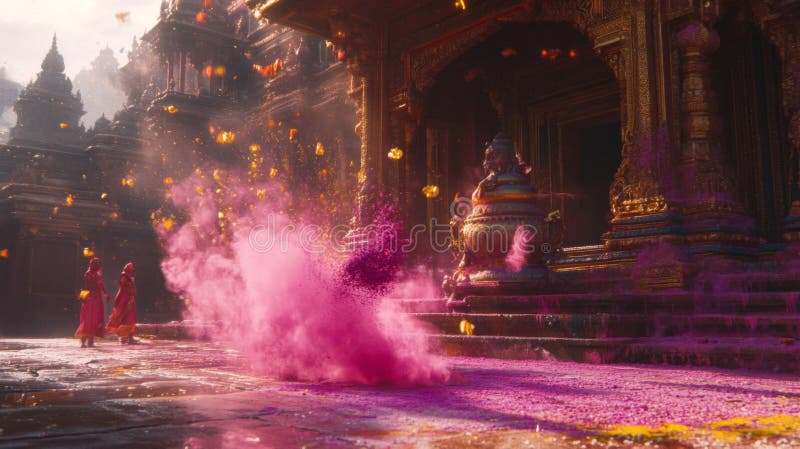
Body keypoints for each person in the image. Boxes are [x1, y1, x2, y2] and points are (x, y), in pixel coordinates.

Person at [75, 257, 110, 347]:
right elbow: (89, 286)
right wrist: (98, 284)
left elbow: (101, 286)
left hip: (97, 298)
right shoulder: (88, 274)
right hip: (90, 298)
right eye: (97, 264)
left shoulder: (97, 274)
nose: (98, 266)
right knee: (88, 319)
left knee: (95, 319)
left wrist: (105, 293)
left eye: (99, 265)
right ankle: (83, 341)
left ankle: (90, 341)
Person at [107, 263, 137, 345]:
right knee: (124, 317)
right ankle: (124, 337)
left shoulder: (130, 277)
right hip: (124, 299)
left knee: (130, 318)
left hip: (129, 299)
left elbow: (132, 289)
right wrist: (131, 289)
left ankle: (130, 337)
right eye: (131, 270)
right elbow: (125, 287)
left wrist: (132, 294)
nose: (132, 272)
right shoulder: (124, 277)